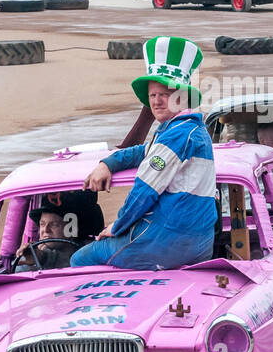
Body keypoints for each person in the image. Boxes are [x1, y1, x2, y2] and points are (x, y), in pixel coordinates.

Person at [70, 37, 216, 270]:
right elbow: (142, 152)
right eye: (152, 96)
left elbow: (143, 193)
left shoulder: (176, 136)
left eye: (164, 94)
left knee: (79, 259)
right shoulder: (192, 130)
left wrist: (116, 227)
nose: (157, 102)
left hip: (166, 239)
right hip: (201, 241)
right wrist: (108, 163)